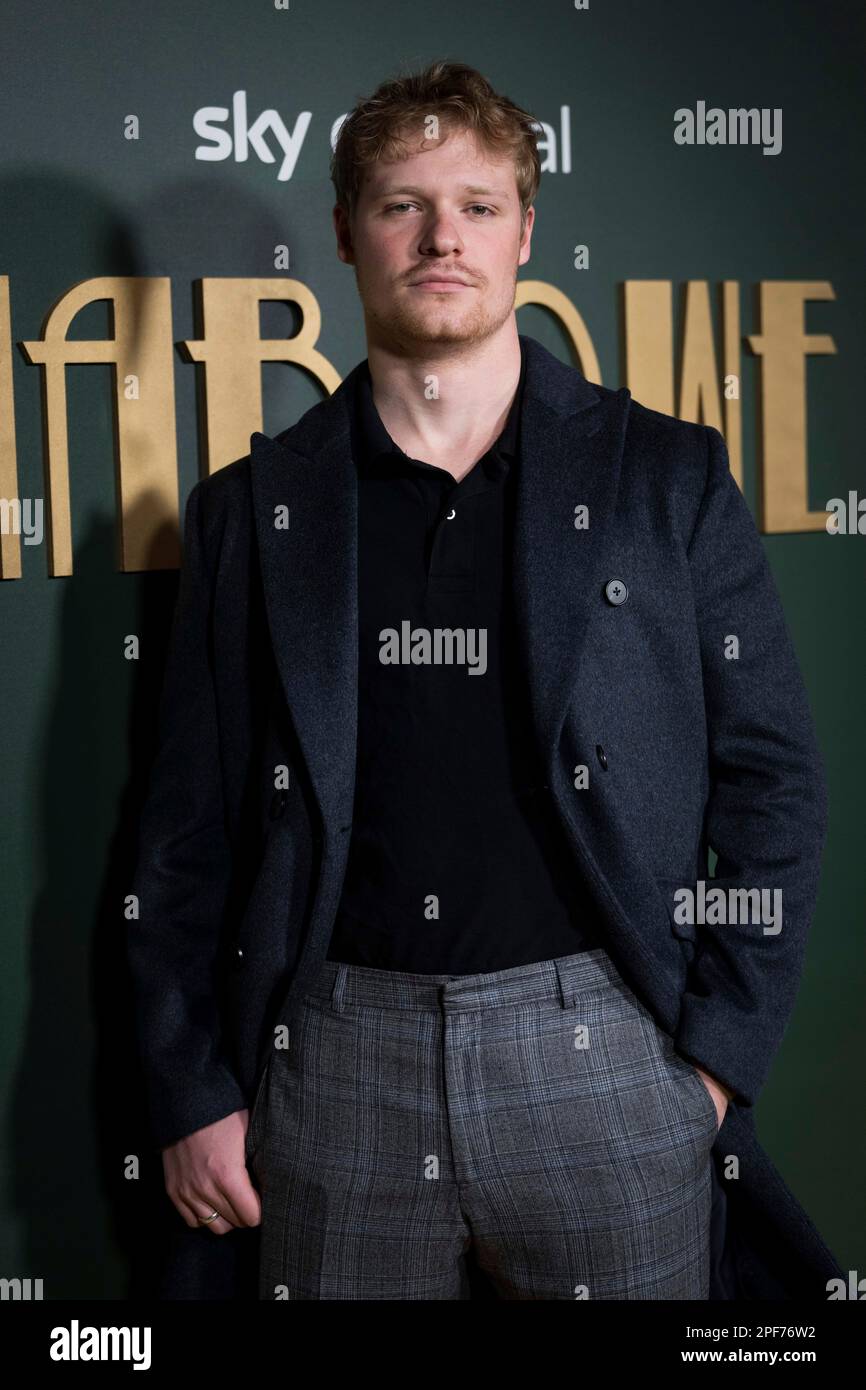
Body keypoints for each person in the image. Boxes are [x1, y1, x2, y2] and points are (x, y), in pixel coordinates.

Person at [128, 60, 842, 1300]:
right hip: (333, 1065)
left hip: (612, 1057)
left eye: (474, 201)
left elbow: (771, 785)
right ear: (349, 233)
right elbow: (181, 839)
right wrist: (194, 1089)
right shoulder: (254, 513)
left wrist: (712, 1064)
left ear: (524, 230)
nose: (441, 234)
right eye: (403, 203)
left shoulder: (664, 479)